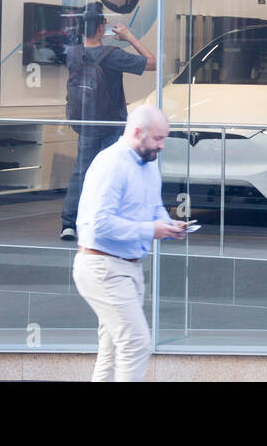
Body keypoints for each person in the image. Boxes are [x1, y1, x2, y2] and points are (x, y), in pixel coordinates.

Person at [72, 105, 185, 381]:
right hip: (103, 266)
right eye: (158, 138)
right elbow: (99, 223)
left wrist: (167, 224)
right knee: (136, 343)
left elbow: (154, 205)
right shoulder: (111, 164)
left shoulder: (149, 162)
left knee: (111, 349)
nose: (162, 145)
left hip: (128, 267)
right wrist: (150, 229)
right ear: (137, 133)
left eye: (164, 138)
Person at [60, 1, 156, 241]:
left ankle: (69, 224)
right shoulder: (113, 56)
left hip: (85, 123)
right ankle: (106, 222)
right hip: (111, 124)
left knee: (81, 173)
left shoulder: (72, 53)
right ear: (103, 26)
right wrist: (130, 37)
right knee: (112, 173)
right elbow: (153, 63)